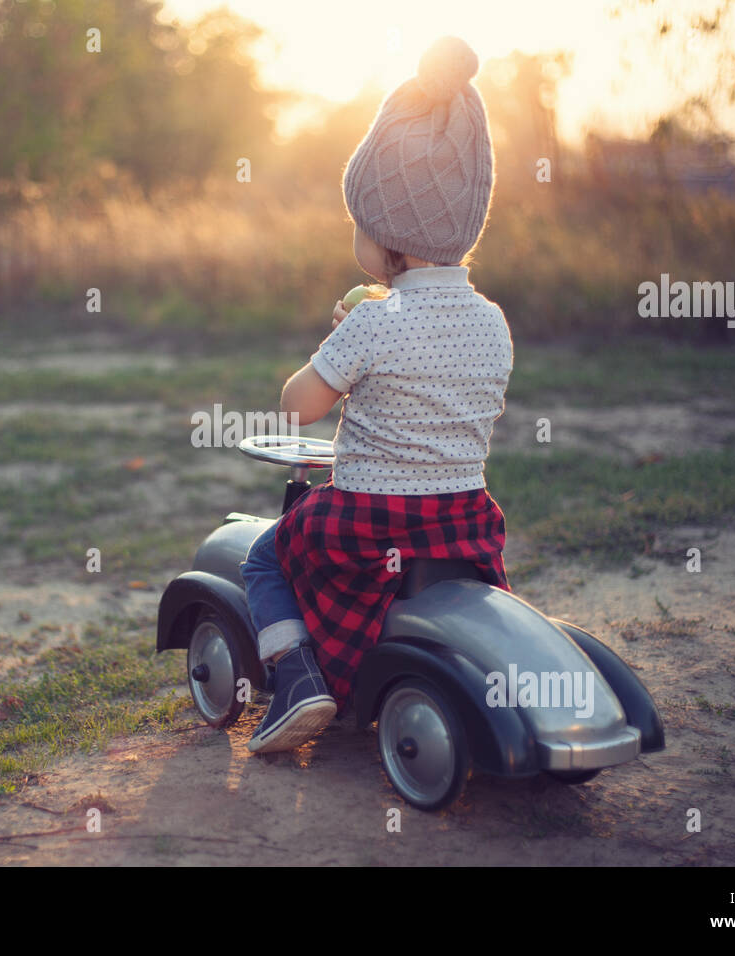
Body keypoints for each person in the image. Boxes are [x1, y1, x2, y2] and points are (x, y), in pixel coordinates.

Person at [240, 36, 514, 754]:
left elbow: (300, 406)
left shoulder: (373, 319)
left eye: (359, 224)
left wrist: (332, 350)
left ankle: (298, 680)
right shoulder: (491, 322)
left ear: (388, 241)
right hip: (462, 518)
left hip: (367, 518)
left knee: (264, 558)